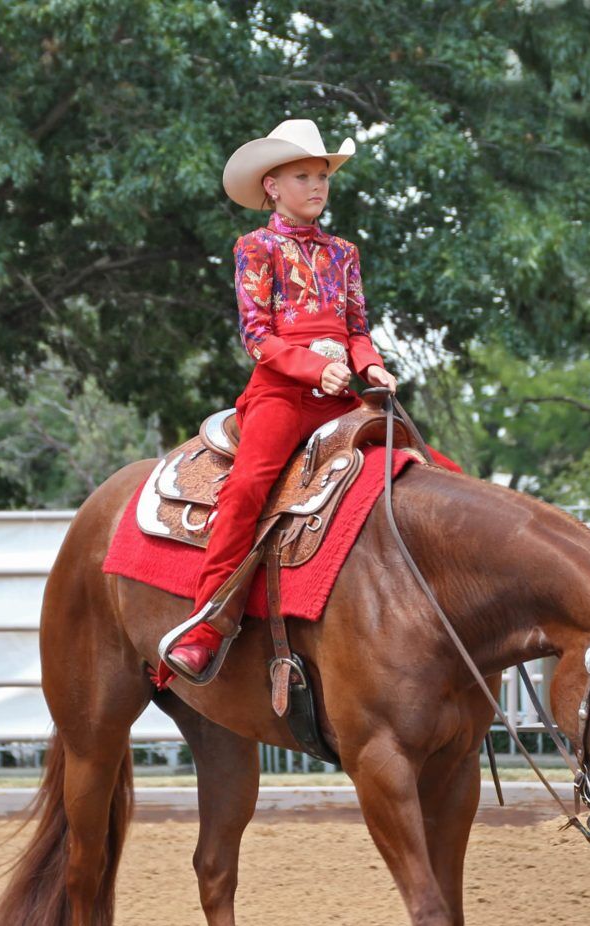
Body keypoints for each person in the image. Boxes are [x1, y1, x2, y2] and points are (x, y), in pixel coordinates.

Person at [163, 119, 397, 680]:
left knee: (416, 463)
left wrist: (371, 365)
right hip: (281, 392)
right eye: (303, 176)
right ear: (272, 186)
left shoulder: (344, 253)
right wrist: (316, 368)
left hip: (339, 392)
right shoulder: (256, 247)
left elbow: (357, 328)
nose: (317, 186)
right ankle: (205, 624)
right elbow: (257, 337)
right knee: (246, 488)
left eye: (322, 176)